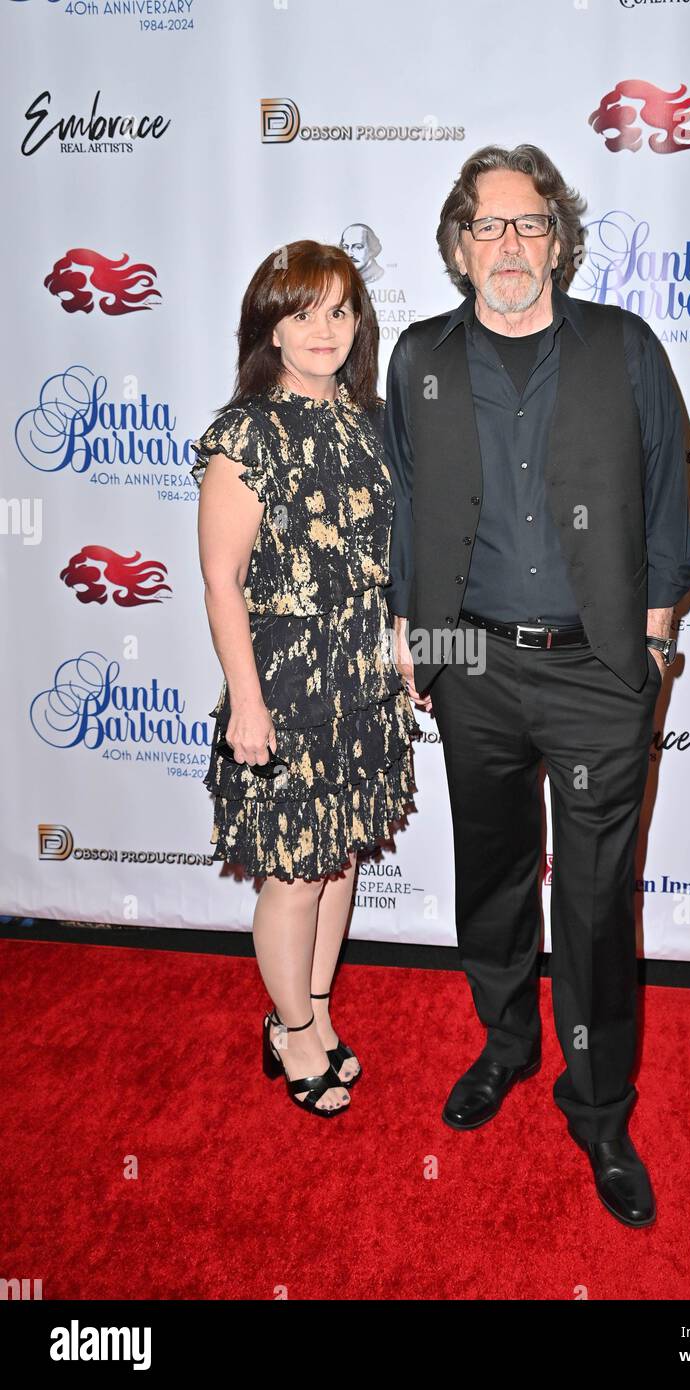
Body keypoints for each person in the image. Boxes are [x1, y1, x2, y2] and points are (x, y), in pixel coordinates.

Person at [383, 145, 690, 1225]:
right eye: (488, 226)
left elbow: (668, 497)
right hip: (470, 661)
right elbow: (406, 506)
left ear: (561, 240)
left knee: (599, 900)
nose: (509, 245)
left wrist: (652, 640)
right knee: (494, 870)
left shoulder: (623, 347)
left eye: (529, 225)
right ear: (458, 245)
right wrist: (413, 636)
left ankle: (600, 1104)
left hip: (597, 668)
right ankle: (508, 1042)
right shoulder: (419, 358)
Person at [190, 241, 420, 1119]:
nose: (322, 329)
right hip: (284, 684)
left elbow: (396, 557)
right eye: (301, 311)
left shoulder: (373, 422)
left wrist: (404, 643)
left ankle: (316, 1011)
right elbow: (221, 579)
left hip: (361, 678)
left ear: (357, 324)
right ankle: (287, 1031)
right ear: (270, 327)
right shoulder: (246, 431)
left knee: (341, 854)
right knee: (293, 870)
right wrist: (246, 702)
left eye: (338, 311)